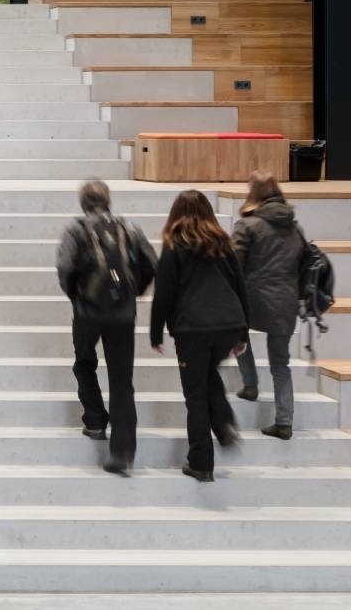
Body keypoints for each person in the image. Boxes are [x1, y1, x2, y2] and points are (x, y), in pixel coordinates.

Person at [56, 179, 157, 475]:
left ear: (83, 203)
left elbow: (64, 268)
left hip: (87, 311)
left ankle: (95, 420)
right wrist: (134, 292)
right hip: (123, 314)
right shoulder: (130, 228)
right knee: (122, 379)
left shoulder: (76, 230)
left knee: (84, 362)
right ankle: (123, 450)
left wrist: (76, 295)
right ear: (109, 201)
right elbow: (151, 263)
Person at [150, 189, 251, 482]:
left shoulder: (174, 244)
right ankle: (223, 422)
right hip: (227, 325)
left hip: (192, 328)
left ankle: (201, 462)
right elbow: (240, 286)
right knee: (208, 377)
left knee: (195, 396)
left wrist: (156, 331)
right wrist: (243, 331)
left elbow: (164, 293)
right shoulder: (222, 242)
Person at [234, 171, 307, 440]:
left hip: (253, 298)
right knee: (280, 363)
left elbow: (233, 263)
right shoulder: (295, 227)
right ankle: (284, 421)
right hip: (286, 300)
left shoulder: (248, 225)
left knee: (238, 335)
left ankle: (250, 384)